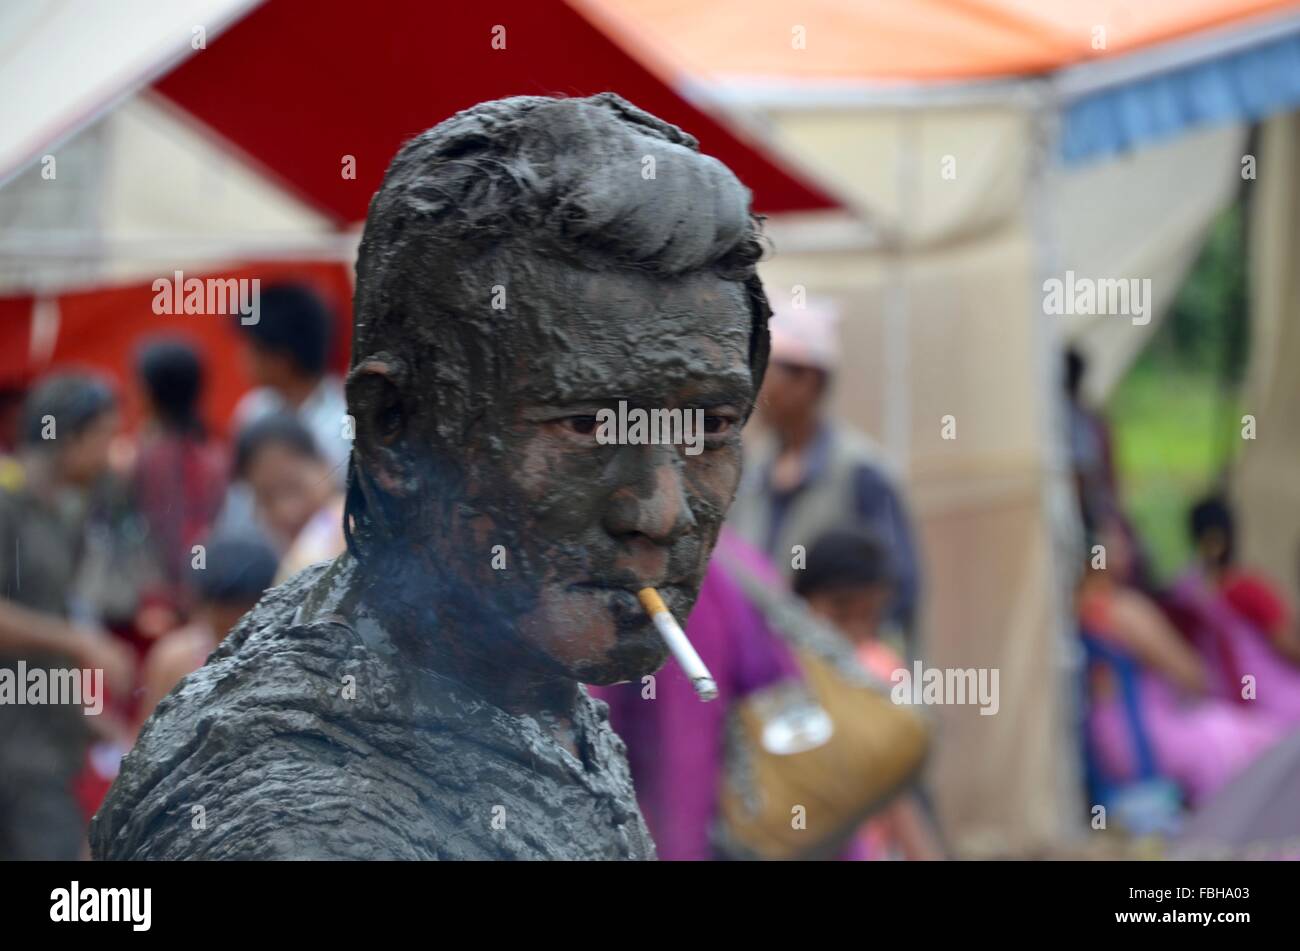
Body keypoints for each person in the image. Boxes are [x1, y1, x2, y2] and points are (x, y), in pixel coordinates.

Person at [92, 92, 772, 860]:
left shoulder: (526, 683)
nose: (661, 508)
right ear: (395, 428)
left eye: (710, 427)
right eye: (585, 425)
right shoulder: (306, 824)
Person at [590, 528, 802, 860]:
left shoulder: (680, 586)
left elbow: (685, 757)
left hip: (734, 826)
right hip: (783, 814)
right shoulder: (737, 555)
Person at [728, 297, 922, 639]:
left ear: (808, 381)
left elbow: (897, 592)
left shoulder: (862, 473)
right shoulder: (754, 472)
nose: (757, 388)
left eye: (768, 371)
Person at [0, 373, 134, 859]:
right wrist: (82, 643)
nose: (111, 453)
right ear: (70, 437)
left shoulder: (64, 516)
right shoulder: (6, 507)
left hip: (46, 746)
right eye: (104, 437)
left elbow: (43, 643)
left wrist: (90, 718)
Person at [1080, 520, 1288, 807]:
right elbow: (1192, 674)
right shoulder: (1123, 609)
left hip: (1104, 738)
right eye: (1119, 544)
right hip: (1141, 738)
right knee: (1255, 740)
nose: (1128, 551)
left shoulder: (1079, 607)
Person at [793, 528, 945, 860]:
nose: (853, 632)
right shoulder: (786, 673)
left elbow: (901, 797)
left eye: (869, 616)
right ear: (801, 602)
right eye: (839, 612)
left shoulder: (880, 673)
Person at [1169, 496, 1300, 722]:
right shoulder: (1246, 590)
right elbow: (1290, 648)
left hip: (1223, 706)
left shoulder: (1183, 594)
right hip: (1277, 707)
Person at [136, 534, 279, 724]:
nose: (231, 642)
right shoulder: (175, 660)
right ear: (201, 610)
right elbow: (144, 740)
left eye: (246, 630)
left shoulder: (283, 655)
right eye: (222, 630)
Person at [131, 339, 228, 615]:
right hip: (209, 592)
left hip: (156, 601)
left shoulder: (142, 458)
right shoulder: (215, 454)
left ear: (149, 394)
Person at [232, 283, 351, 483]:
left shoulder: (343, 420)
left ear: (282, 358)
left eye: (252, 348)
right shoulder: (254, 409)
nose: (242, 357)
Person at [233, 413, 345, 579]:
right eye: (267, 498)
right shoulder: (271, 559)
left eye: (294, 487)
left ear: (325, 466)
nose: (287, 511)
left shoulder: (351, 524)